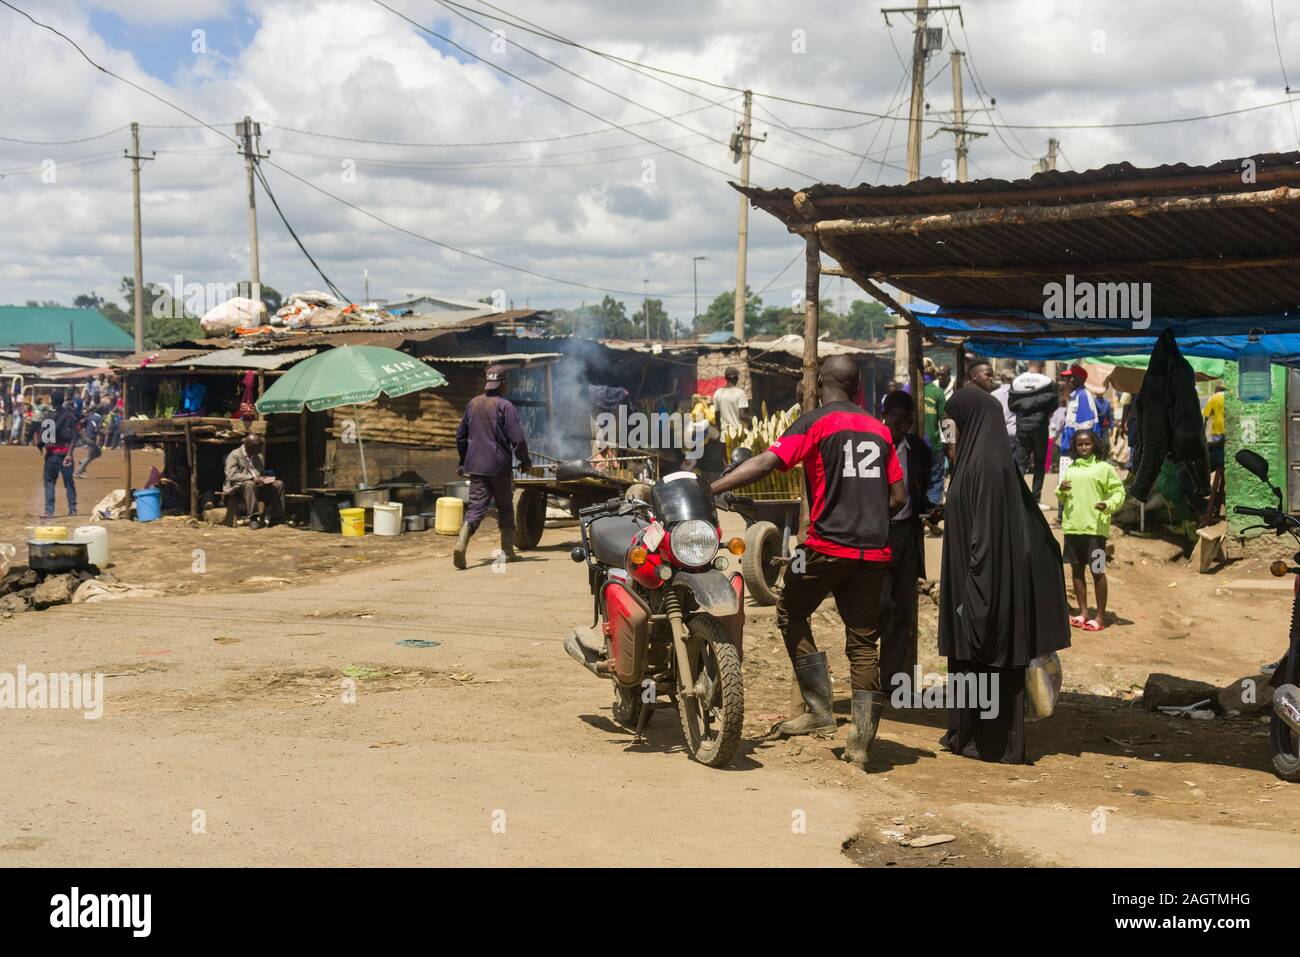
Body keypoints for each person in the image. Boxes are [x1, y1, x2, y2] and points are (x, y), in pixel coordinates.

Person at [711, 355, 905, 769]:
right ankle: (860, 743)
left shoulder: (815, 422)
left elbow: (767, 462)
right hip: (873, 551)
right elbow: (899, 498)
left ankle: (818, 709)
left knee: (790, 609)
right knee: (863, 639)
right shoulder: (880, 430)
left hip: (825, 548)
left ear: (819, 385)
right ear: (857, 389)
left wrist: (713, 486)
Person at [937, 385, 1071, 764]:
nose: (953, 432)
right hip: (971, 580)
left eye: (956, 424)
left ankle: (993, 743)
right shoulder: (974, 459)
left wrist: (978, 591)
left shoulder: (988, 466)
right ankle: (966, 734)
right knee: (968, 661)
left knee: (988, 655)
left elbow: (987, 536)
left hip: (985, 582)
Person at [878, 390, 937, 696]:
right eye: (897, 421)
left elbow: (920, 490)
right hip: (877, 532)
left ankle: (890, 678)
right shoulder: (872, 445)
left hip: (906, 533)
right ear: (885, 415)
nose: (902, 428)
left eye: (907, 423)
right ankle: (867, 672)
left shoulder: (918, 450)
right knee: (879, 603)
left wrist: (930, 509)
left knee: (902, 608)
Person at [454, 365, 531, 570]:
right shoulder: (505, 406)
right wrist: (525, 460)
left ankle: (461, 542)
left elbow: (460, 435)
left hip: (476, 467)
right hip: (499, 467)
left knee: (476, 508)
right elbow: (518, 438)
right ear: (504, 383)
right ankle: (508, 551)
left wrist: (463, 461)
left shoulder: (473, 403)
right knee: (505, 508)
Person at [1057, 429, 1126, 632]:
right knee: (1076, 572)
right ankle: (1083, 612)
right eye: (1080, 444)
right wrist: (1062, 489)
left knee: (1097, 571)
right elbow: (1062, 497)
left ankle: (1100, 617)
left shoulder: (1104, 468)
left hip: (1095, 530)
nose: (1084, 447)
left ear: (1095, 444)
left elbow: (1118, 492)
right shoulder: (1071, 469)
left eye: (1087, 443)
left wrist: (1108, 504)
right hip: (1073, 529)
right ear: (1075, 447)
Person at [1008, 362, 1057, 502]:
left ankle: (1016, 497)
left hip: (1022, 426)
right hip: (1040, 426)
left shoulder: (1017, 381)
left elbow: (1011, 405)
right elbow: (1054, 403)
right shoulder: (1046, 381)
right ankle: (1035, 498)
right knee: (1040, 464)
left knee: (1021, 463)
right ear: (1041, 366)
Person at [223, 434, 284, 526]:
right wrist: (251, 478)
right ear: (249, 447)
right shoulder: (234, 455)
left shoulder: (259, 457)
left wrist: (264, 479)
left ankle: (275, 517)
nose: (260, 450)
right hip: (238, 488)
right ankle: (253, 518)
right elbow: (231, 475)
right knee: (249, 484)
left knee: (279, 484)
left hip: (256, 486)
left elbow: (260, 473)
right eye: (258, 448)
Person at [36, 397, 78, 519]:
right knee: (69, 483)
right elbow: (74, 438)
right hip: (66, 454)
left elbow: (42, 439)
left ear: (52, 401)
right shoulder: (69, 416)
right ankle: (73, 509)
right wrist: (69, 454)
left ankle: (49, 511)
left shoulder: (47, 416)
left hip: (52, 455)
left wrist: (43, 447)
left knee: (49, 482)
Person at [1203, 382, 1227, 521]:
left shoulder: (1213, 398)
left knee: (1215, 459)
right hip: (1228, 435)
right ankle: (1220, 499)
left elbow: (1206, 416)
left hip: (1217, 433)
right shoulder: (1229, 398)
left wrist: (1201, 434)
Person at [711, 367, 749, 432]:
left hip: (725, 435)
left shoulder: (718, 393)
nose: (738, 379)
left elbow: (717, 415)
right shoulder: (740, 393)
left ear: (726, 378)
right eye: (737, 377)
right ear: (735, 378)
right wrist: (751, 421)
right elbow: (742, 416)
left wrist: (720, 430)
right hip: (738, 435)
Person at [74, 404, 104, 478]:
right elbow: (98, 429)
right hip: (91, 438)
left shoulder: (90, 416)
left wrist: (82, 431)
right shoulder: (100, 418)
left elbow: (82, 422)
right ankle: (77, 472)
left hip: (86, 436)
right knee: (90, 456)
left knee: (97, 453)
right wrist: (101, 432)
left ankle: (82, 462)